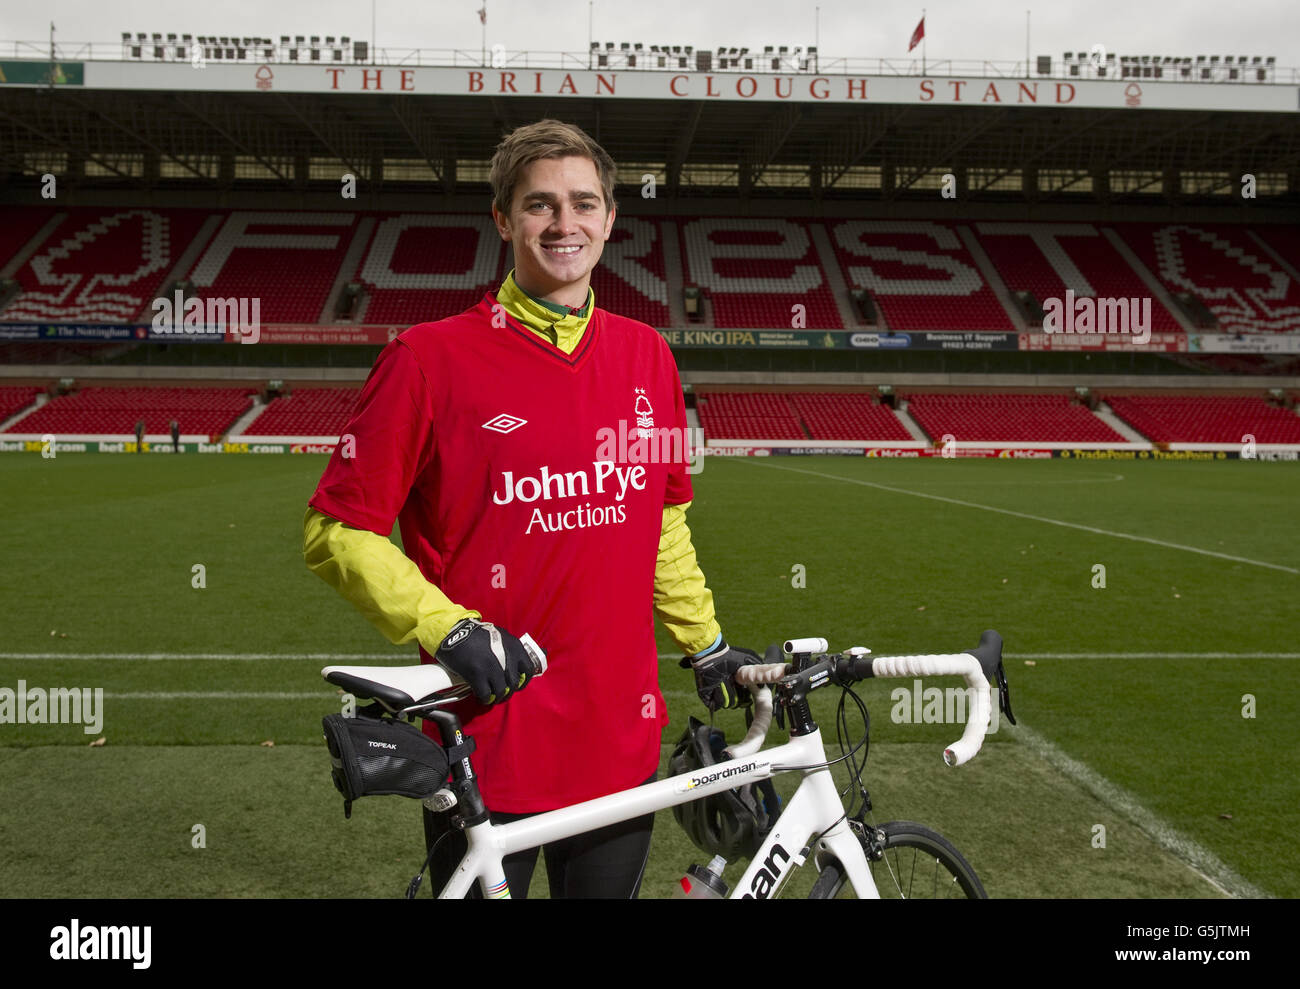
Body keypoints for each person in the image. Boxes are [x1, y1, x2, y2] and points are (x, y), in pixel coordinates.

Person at [303, 119, 759, 898]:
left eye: (583, 203)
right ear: (504, 220)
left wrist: (705, 639)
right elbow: (337, 530)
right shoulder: (427, 359)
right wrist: (447, 626)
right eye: (540, 204)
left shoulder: (648, 354)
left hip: (619, 738)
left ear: (610, 220)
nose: (564, 223)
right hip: (490, 739)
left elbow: (662, 524)